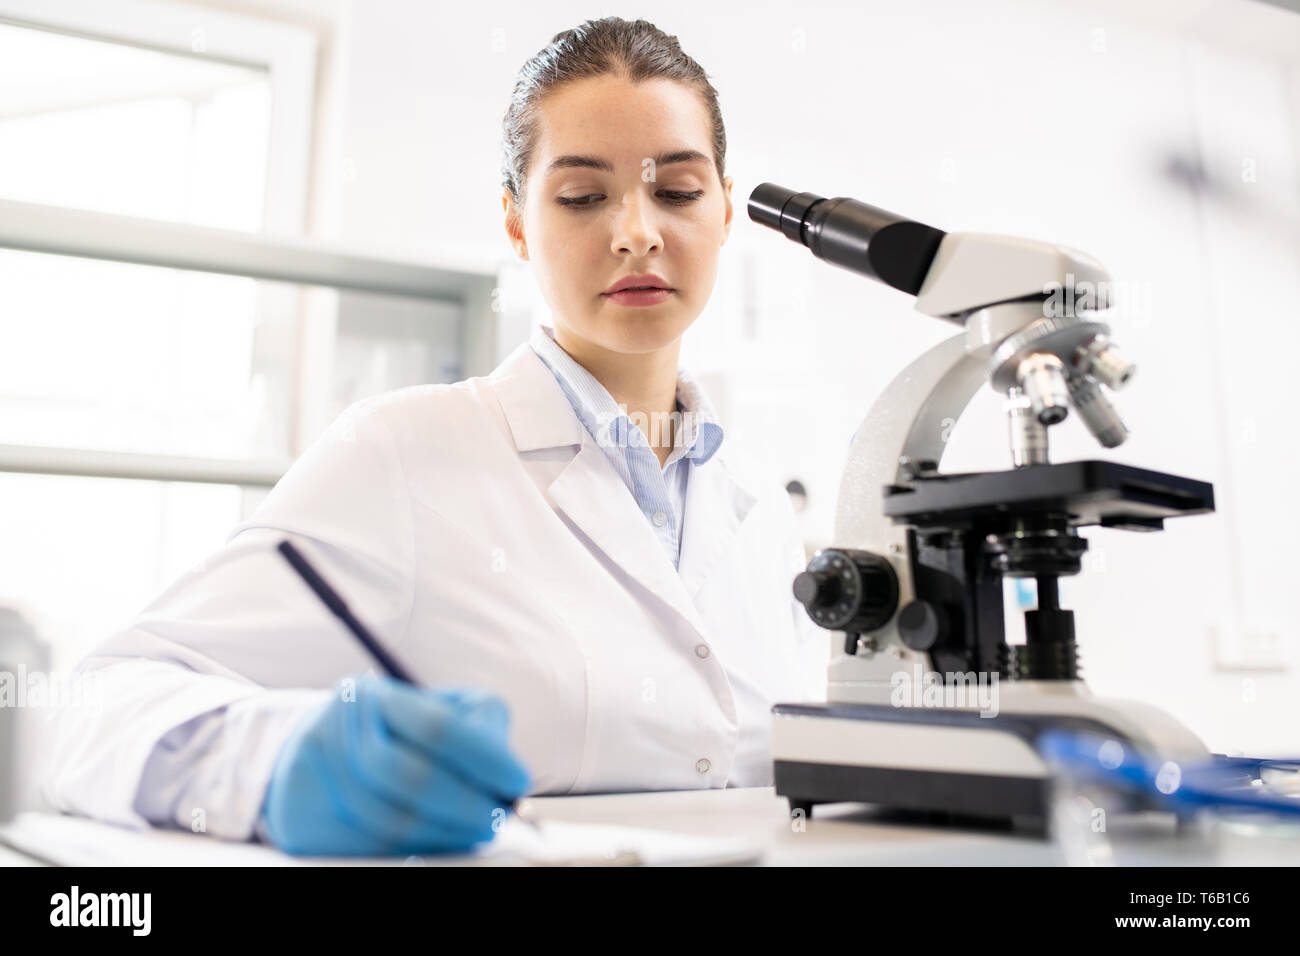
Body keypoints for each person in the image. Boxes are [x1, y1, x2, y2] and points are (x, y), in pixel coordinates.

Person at [41, 16, 825, 857]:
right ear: (517, 225)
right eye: (582, 196)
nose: (637, 230)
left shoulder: (760, 503)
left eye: (676, 190)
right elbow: (97, 707)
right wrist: (276, 763)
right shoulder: (404, 452)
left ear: (725, 212)